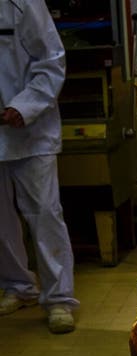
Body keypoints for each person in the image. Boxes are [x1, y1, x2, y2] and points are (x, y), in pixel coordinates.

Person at [0, 0, 79, 333]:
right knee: (1, 218)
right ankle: (19, 285)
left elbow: (51, 60)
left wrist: (25, 106)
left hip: (30, 130)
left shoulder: (24, 3)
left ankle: (59, 298)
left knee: (44, 214)